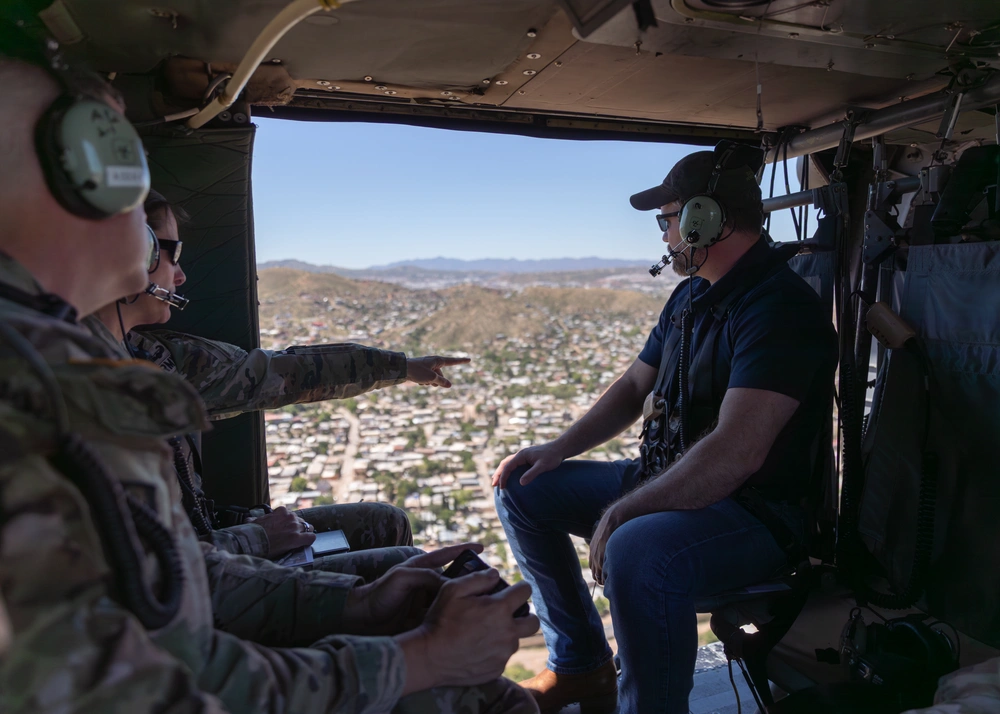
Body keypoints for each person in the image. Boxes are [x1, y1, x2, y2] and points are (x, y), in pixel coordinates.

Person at [0, 31, 539, 713]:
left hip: (219, 613)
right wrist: (420, 659)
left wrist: (366, 604)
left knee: (394, 555)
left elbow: (177, 581)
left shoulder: (90, 372)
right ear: (79, 174)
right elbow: (152, 681)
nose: (171, 263)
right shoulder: (41, 399)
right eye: (113, 163)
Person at [493, 142, 838, 713]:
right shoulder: (688, 297)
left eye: (668, 219)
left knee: (636, 548)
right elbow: (633, 388)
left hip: (755, 514)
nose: (663, 235)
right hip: (671, 481)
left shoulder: (778, 310)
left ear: (706, 218)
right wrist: (557, 448)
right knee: (523, 487)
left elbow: (736, 452)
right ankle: (582, 667)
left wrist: (625, 511)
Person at [89, 189, 469, 580]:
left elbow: (286, 371)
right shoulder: (82, 390)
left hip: (207, 545)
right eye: (171, 252)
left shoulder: (156, 358)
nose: (181, 275)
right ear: (134, 253)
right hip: (187, 589)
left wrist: (402, 367)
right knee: (408, 572)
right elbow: (130, 570)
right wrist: (254, 537)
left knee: (385, 523)